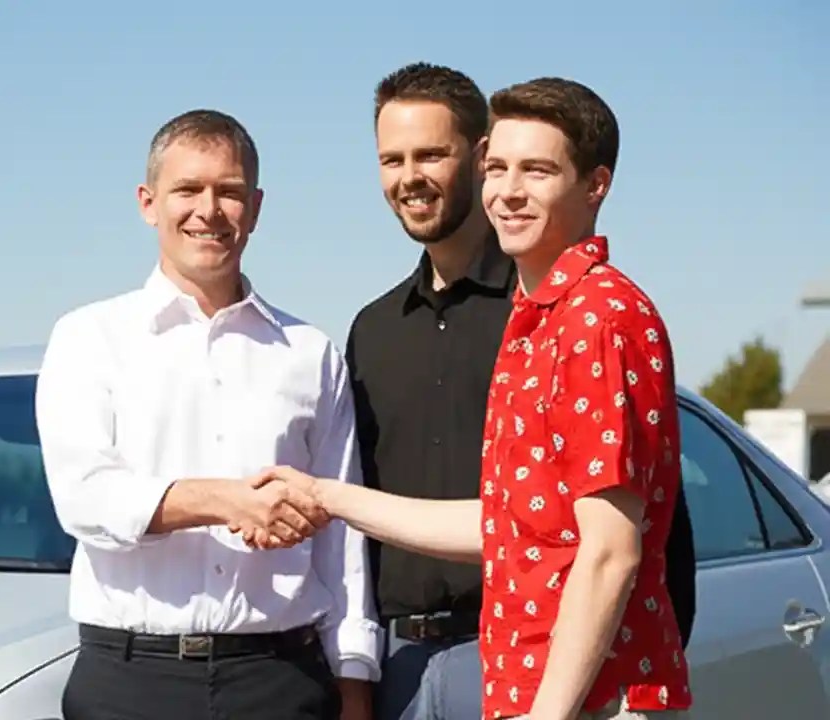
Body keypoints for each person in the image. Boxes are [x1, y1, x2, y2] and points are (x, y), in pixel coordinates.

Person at [253, 77, 694, 719]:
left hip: (580, 697)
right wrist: (325, 495)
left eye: (537, 171)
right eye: (501, 169)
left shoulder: (599, 318)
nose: (510, 191)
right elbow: (507, 525)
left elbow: (610, 550)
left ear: (595, 185)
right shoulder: (540, 320)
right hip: (515, 684)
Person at [35, 108, 382, 720]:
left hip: (280, 681)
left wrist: (354, 674)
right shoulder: (89, 338)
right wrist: (225, 501)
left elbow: (342, 531)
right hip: (129, 684)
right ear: (148, 203)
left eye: (229, 191)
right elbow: (84, 499)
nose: (209, 210)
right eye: (187, 189)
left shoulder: (310, 353)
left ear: (256, 205)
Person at [344, 61, 515, 720]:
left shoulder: (543, 308)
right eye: (392, 158)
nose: (408, 176)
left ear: (481, 156)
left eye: (431, 154)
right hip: (398, 669)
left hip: (518, 655)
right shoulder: (373, 329)